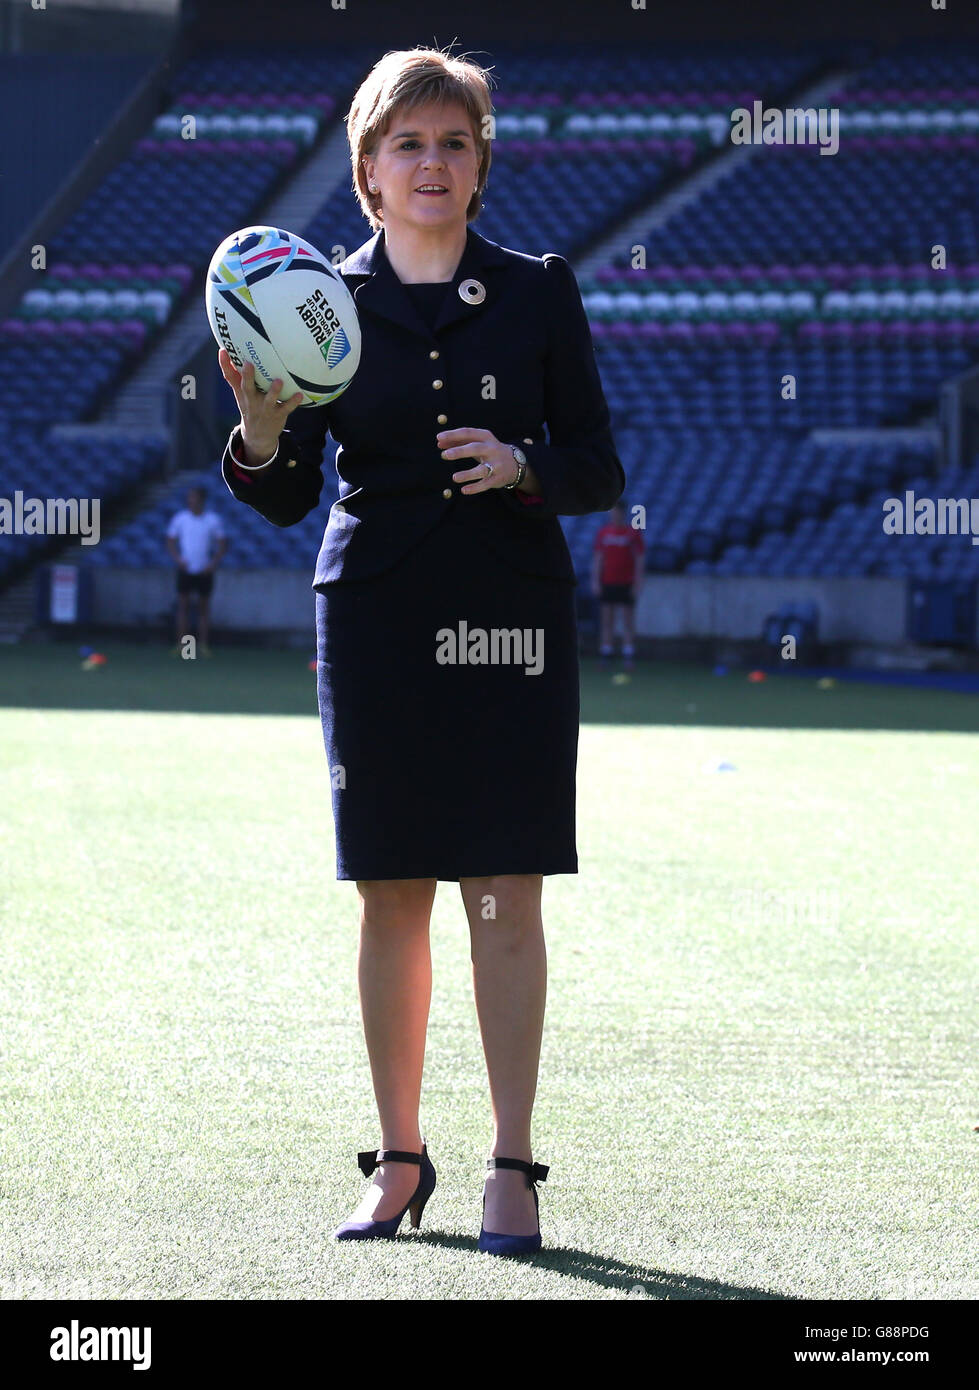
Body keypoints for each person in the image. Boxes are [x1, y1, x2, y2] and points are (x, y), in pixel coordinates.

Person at [216, 44, 624, 1256]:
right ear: (368, 172)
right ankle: (399, 1159)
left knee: (504, 889)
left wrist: (526, 467)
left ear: (478, 163)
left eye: (454, 141)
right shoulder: (314, 304)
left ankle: (511, 1165)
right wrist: (257, 418)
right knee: (391, 895)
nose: (432, 162)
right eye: (409, 144)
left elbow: (599, 462)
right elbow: (286, 495)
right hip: (378, 621)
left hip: (509, 616)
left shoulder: (542, 289)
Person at [165, 485, 226, 655]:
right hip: (186, 568)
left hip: (204, 569)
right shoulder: (180, 518)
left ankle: (204, 645)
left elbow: (222, 544)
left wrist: (212, 564)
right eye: (190, 497)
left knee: (203, 608)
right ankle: (182, 645)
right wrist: (178, 559)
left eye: (194, 497)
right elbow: (170, 540)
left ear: (202, 500)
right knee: (183, 607)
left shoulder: (213, 520)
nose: (191, 501)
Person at [591, 500, 644, 668]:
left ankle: (629, 654)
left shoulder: (633, 533)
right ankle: (606, 652)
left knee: (628, 620)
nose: (614, 515)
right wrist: (595, 581)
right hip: (608, 581)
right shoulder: (604, 533)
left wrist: (638, 583)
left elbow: (639, 560)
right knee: (607, 619)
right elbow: (598, 559)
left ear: (623, 513)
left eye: (617, 512)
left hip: (626, 582)